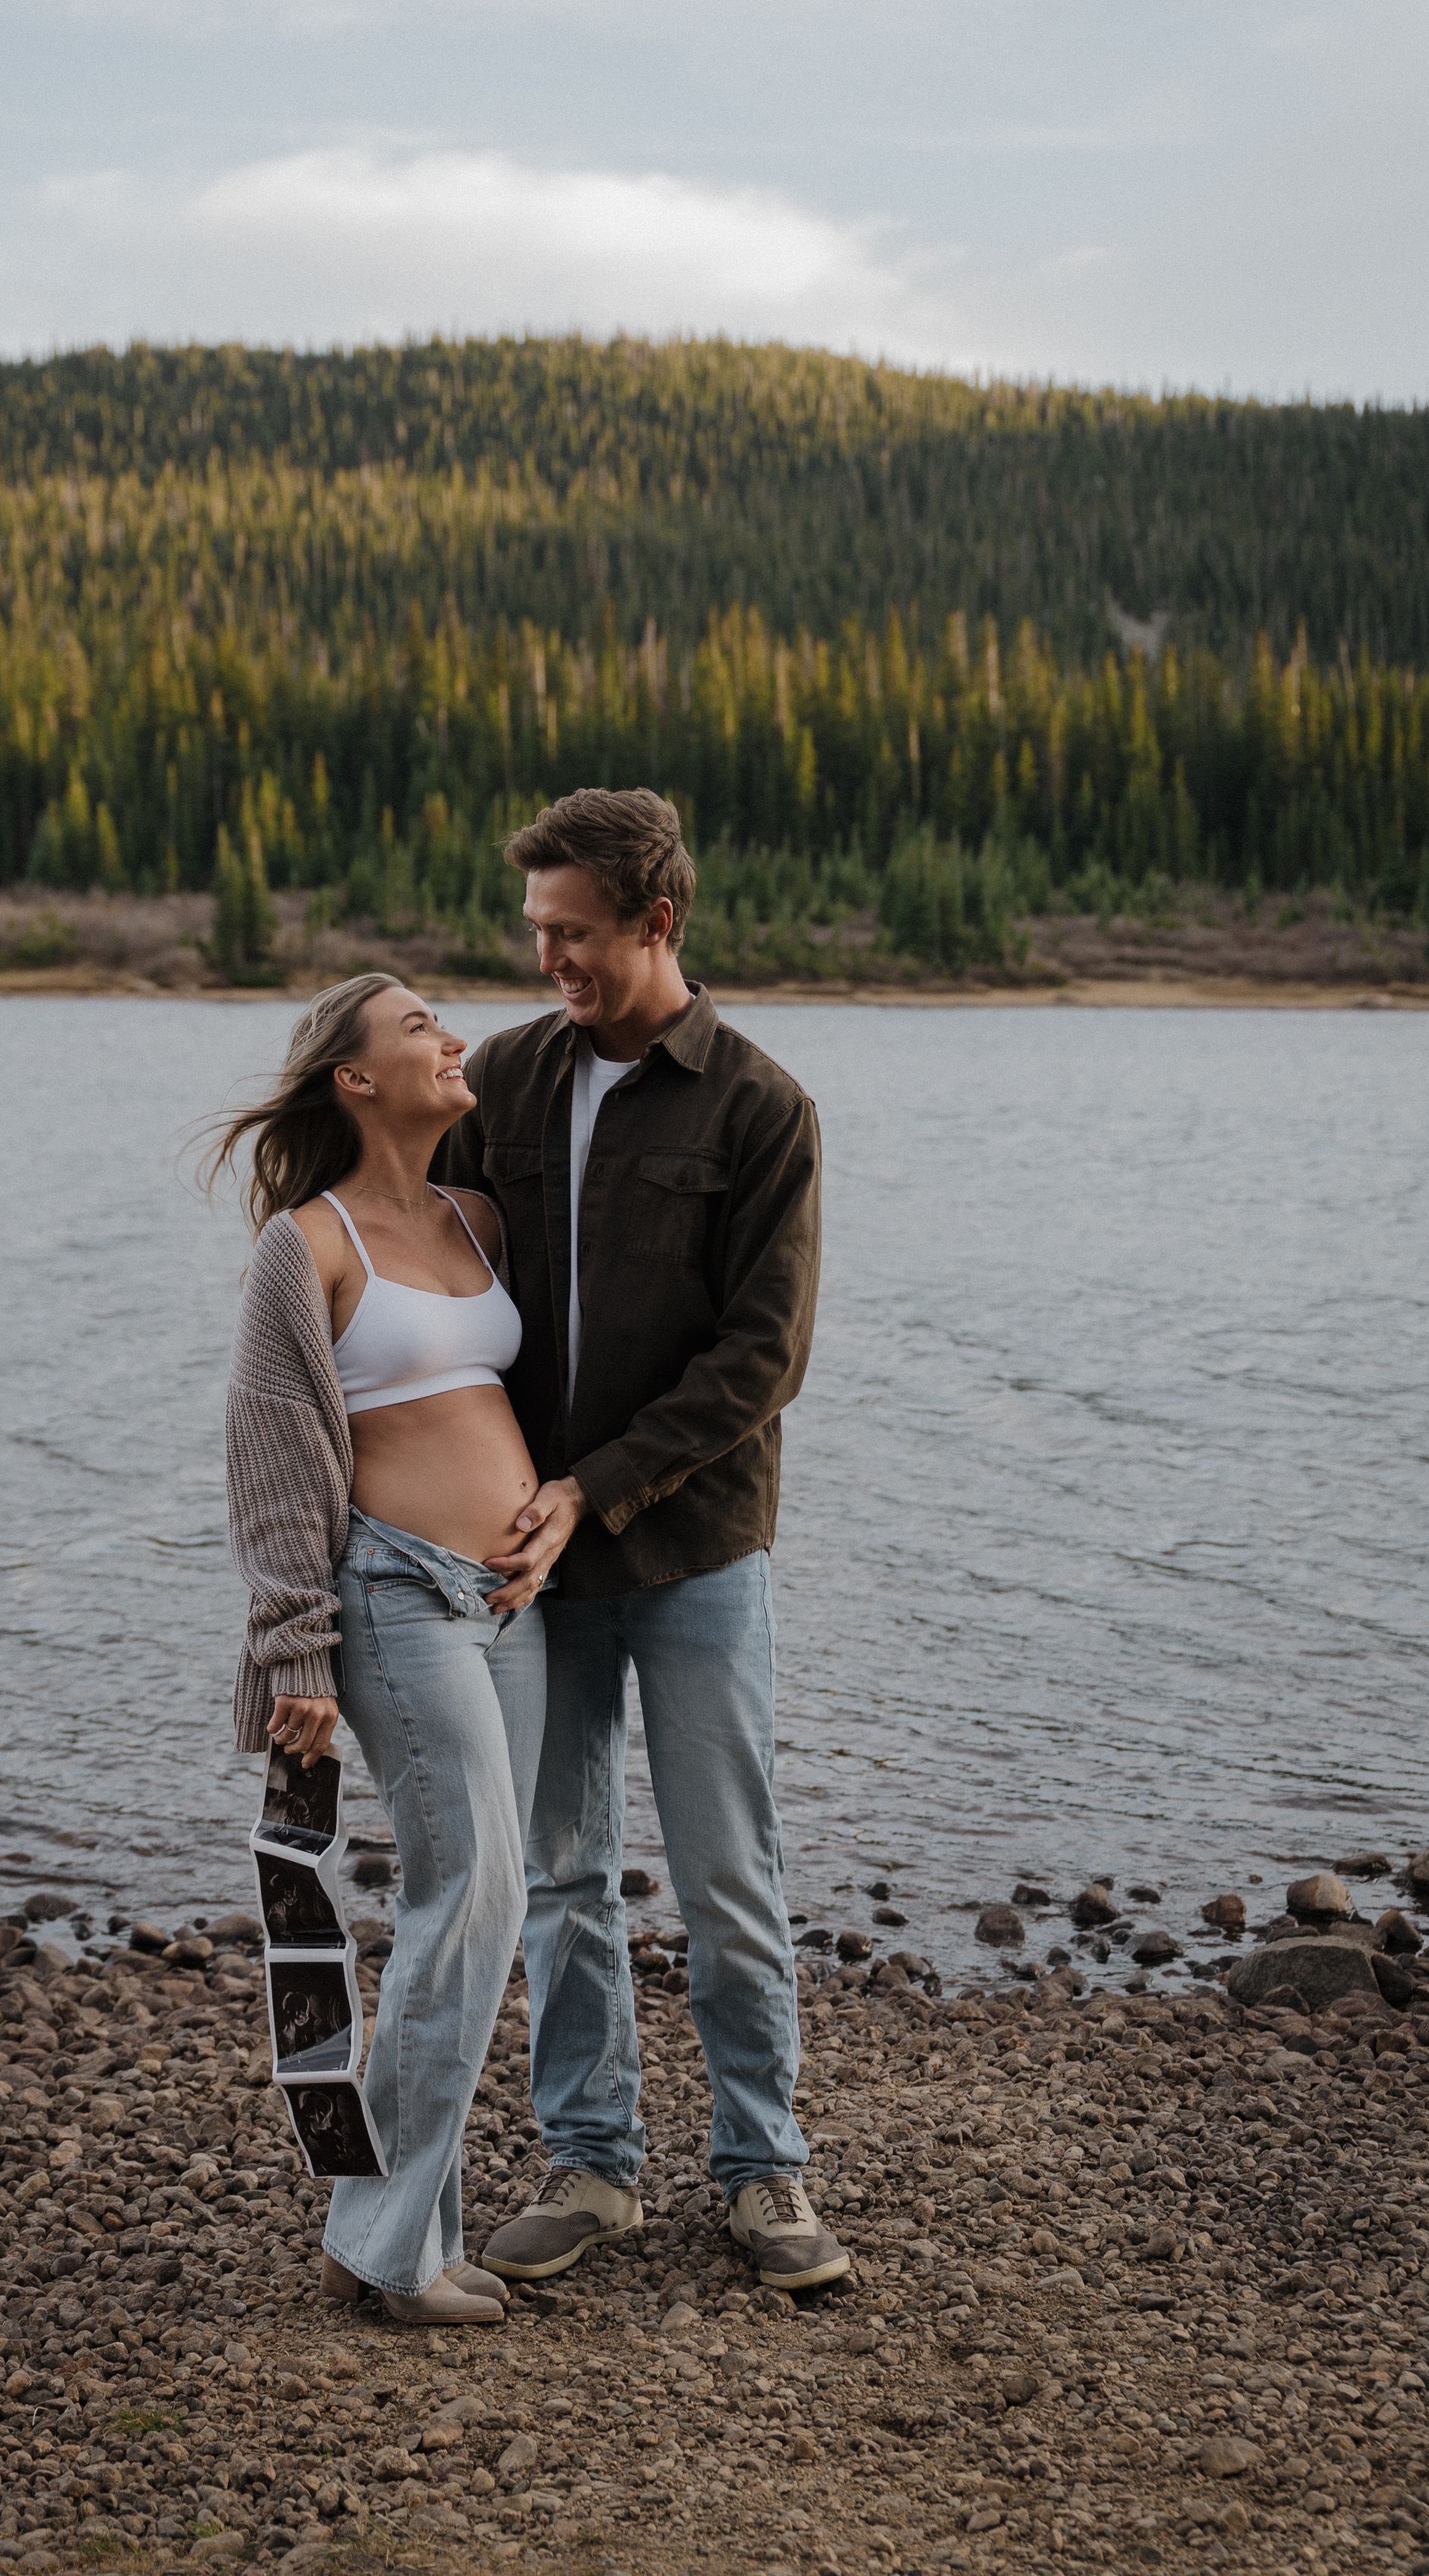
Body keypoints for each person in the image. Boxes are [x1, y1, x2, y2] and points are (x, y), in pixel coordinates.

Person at [435, 787, 851, 2293]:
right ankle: (589, 2162)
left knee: (726, 1872)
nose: (547, 957)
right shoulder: (498, 1082)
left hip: (690, 1560)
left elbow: (762, 1360)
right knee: (555, 1873)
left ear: (655, 923)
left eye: (574, 934)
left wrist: (594, 1485)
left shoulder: (760, 1109)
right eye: (534, 931)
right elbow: (423, 1269)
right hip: (521, 1560)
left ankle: (763, 2174)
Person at [213, 971, 562, 2325]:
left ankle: (416, 2227)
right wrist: (293, 1652)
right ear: (354, 1077)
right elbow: (274, 1454)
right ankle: (376, 2246)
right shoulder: (310, 1245)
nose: (449, 1037)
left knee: (485, 1901)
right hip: (395, 1595)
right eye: (419, 1025)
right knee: (465, 1895)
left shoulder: (476, 1218)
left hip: (508, 1604)